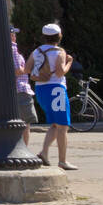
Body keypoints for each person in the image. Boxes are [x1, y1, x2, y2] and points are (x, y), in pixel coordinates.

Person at [25, 22, 77, 170]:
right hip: (56, 89)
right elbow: (60, 72)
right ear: (59, 36)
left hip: (41, 89)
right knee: (63, 126)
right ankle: (62, 161)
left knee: (55, 124)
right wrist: (69, 62)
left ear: (44, 37)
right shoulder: (59, 51)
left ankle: (44, 153)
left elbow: (27, 69)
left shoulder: (37, 51)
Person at [9, 26, 37, 148]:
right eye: (14, 34)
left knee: (16, 123)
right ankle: (24, 150)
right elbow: (16, 71)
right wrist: (29, 68)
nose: (15, 36)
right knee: (25, 123)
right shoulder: (12, 48)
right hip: (21, 89)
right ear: (11, 35)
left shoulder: (4, 49)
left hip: (14, 90)